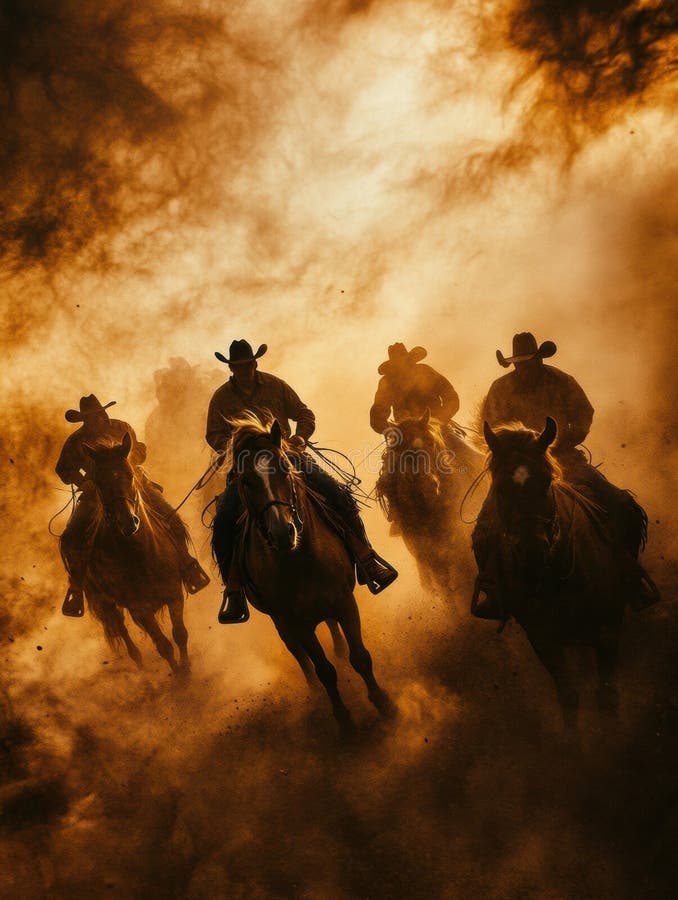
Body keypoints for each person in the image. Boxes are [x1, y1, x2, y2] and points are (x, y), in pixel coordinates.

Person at [206, 340, 398, 624]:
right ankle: (234, 590)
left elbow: (304, 414)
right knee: (223, 522)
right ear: (231, 368)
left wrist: (300, 437)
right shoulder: (221, 398)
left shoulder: (276, 386)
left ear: (254, 364)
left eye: (246, 365)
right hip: (247, 467)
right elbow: (213, 434)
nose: (243, 370)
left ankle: (366, 557)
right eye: (237, 367)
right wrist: (236, 445)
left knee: (339, 494)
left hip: (287, 458)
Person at [473, 332, 657, 618]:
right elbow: (493, 427)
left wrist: (559, 440)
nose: (523, 368)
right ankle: (494, 590)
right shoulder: (500, 388)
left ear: (539, 358)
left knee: (621, 504)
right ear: (512, 364)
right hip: (516, 468)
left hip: (564, 458)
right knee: (483, 527)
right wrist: (516, 451)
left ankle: (629, 574)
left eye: (528, 362)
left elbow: (584, 413)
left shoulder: (561, 381)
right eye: (518, 364)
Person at [56, 394, 209, 617]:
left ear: (103, 413)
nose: (94, 420)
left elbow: (139, 451)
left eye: (96, 415)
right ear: (84, 420)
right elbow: (63, 469)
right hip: (97, 492)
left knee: (169, 516)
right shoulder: (75, 442)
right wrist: (83, 482)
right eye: (89, 418)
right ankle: (77, 587)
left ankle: (187, 564)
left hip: (132, 484)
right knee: (73, 535)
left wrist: (127, 463)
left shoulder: (122, 428)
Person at [369, 343, 460, 439]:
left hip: (438, 429)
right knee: (393, 453)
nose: (402, 365)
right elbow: (377, 414)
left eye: (403, 361)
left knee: (464, 451)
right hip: (405, 434)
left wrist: (439, 419)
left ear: (409, 360)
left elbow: (450, 396)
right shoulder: (387, 382)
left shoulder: (425, 371)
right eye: (398, 362)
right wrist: (390, 431)